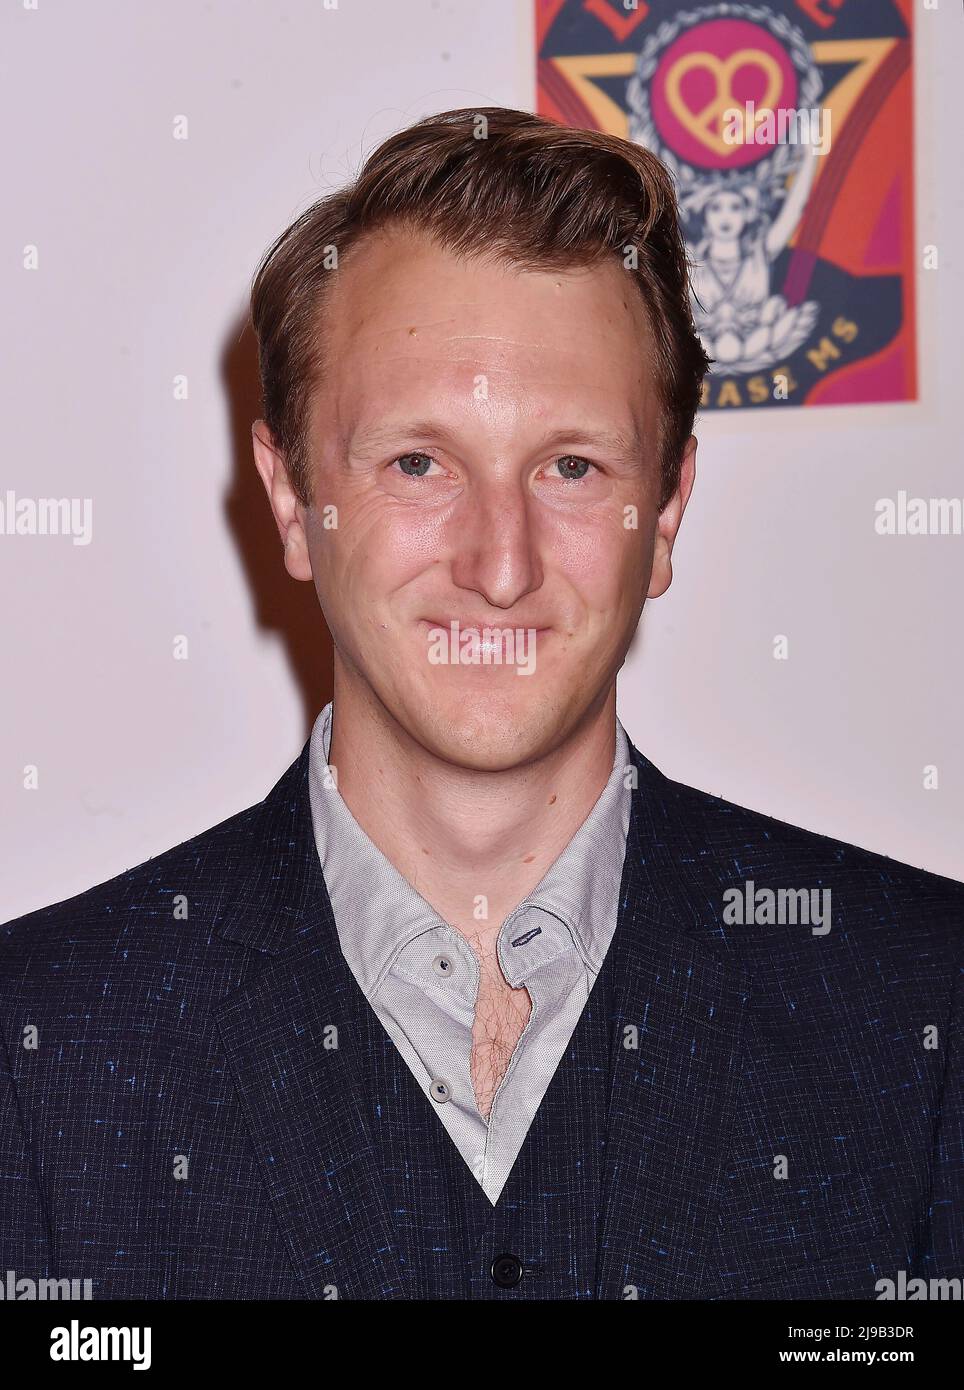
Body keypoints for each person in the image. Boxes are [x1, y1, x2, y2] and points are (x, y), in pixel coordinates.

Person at [1, 107, 960, 1301]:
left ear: (662, 513)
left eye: (571, 466)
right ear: (293, 502)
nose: (498, 564)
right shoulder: (38, 1054)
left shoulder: (924, 1012)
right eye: (418, 463)